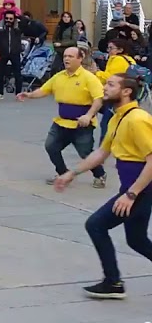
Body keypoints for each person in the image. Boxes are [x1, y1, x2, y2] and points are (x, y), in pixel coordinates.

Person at [52, 73, 152, 300]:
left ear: (126, 91)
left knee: (96, 225)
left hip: (139, 190)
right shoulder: (118, 117)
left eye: (110, 84)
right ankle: (113, 282)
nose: (104, 88)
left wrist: (131, 194)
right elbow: (102, 153)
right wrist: (72, 173)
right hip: (134, 189)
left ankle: (113, 282)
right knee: (136, 240)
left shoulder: (137, 119)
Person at [18, 46, 107, 188]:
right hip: (61, 122)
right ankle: (62, 173)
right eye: (65, 56)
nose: (66, 59)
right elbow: (44, 90)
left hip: (81, 124)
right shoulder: (59, 76)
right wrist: (29, 95)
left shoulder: (89, 78)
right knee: (51, 146)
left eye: (71, 56)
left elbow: (99, 98)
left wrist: (89, 115)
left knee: (85, 152)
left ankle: (100, 174)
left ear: (80, 58)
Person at [0, 10, 25, 100]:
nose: (8, 20)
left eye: (11, 18)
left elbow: (26, 22)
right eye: (7, 18)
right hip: (2, 53)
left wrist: (18, 16)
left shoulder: (18, 26)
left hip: (15, 53)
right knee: (0, 74)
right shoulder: (0, 26)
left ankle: (18, 94)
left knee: (18, 75)